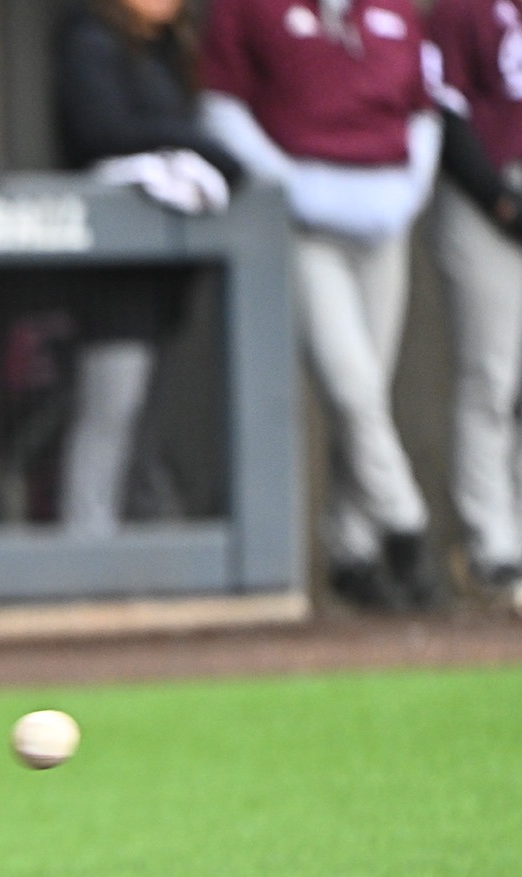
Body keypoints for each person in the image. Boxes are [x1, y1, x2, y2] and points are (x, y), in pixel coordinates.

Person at [198, 0, 442, 609]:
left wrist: (409, 191)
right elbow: (221, 107)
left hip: (383, 217)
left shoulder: (393, 10)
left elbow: (423, 108)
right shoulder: (249, 8)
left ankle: (351, 554)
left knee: (368, 396)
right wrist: (287, 181)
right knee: (351, 384)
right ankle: (407, 525)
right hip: (306, 221)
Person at [51, 0, 243, 536]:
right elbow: (100, 130)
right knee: (110, 409)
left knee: (144, 418)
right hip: (113, 269)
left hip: (159, 270)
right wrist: (194, 143)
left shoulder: (164, 49)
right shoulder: (87, 36)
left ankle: (144, 544)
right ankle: (87, 548)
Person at [425, 0, 522, 606]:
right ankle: (492, 547)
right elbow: (445, 112)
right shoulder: (460, 10)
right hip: (487, 197)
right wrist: (500, 200)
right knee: (490, 376)